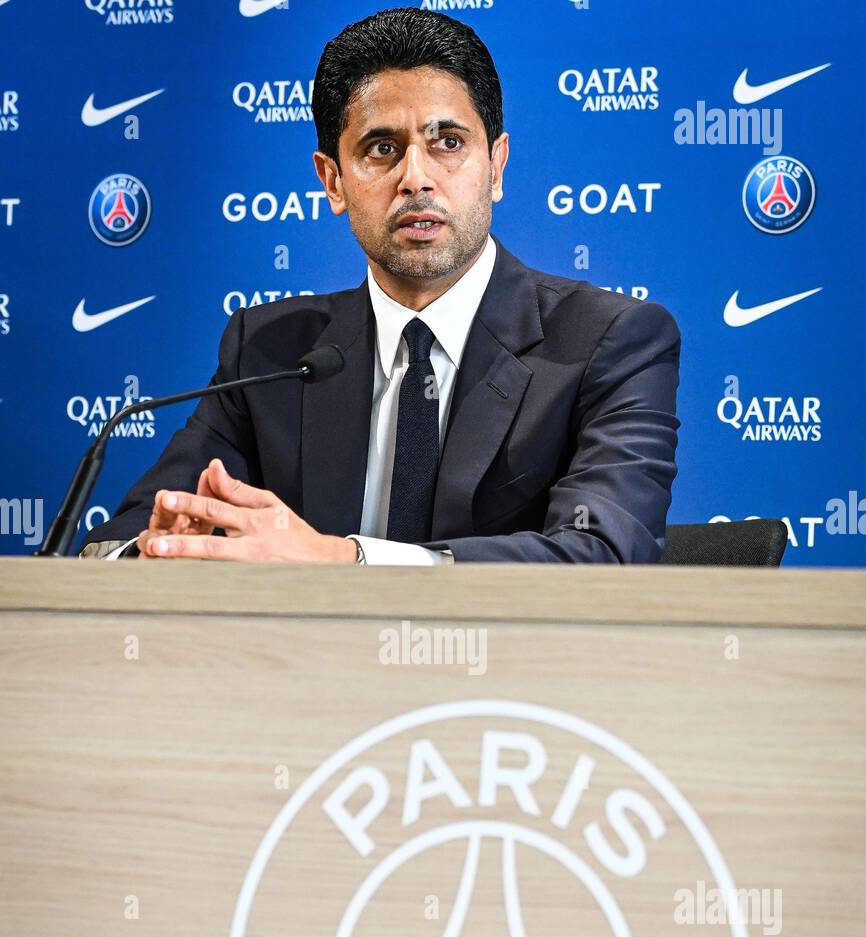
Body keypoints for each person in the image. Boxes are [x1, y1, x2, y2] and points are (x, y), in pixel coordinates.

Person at [80, 6, 681, 566]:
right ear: (332, 181)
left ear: (496, 167)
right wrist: (160, 551)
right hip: (308, 674)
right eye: (382, 149)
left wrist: (342, 561)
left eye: (448, 143)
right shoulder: (268, 350)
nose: (416, 178)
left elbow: (604, 554)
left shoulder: (608, 340)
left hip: (509, 675)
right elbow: (122, 537)